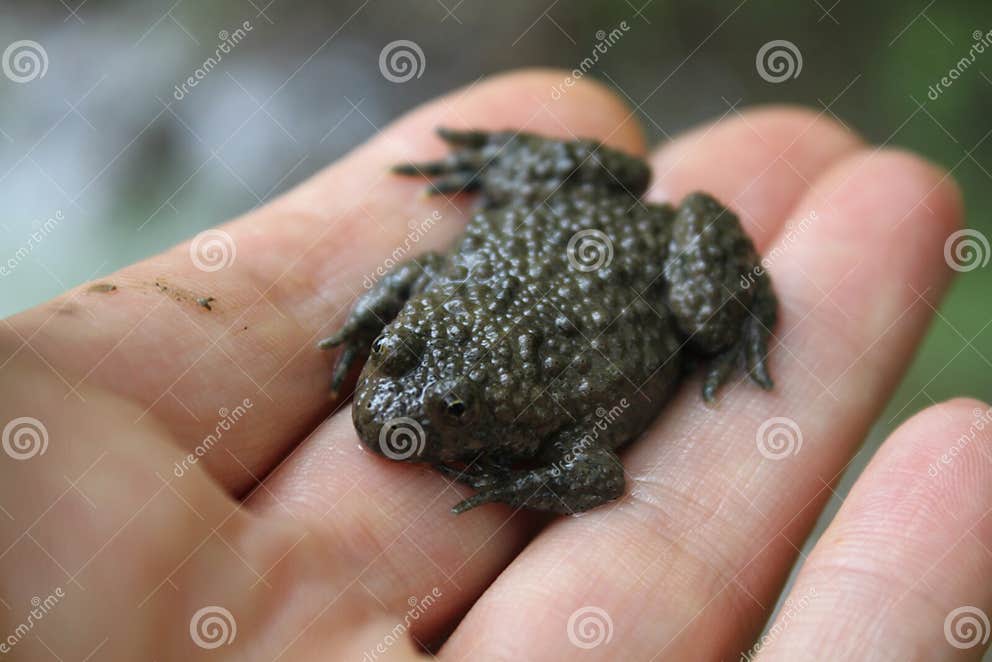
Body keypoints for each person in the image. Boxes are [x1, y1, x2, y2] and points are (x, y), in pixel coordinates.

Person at [0, 69, 982, 660]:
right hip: (546, 236)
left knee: (708, 309)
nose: (397, 405)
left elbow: (597, 477)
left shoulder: (536, 413)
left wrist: (517, 477)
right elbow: (418, 277)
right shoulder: (431, 314)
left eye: (450, 411)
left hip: (649, 266)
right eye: (394, 358)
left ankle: (744, 309)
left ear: (490, 414)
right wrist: (369, 331)